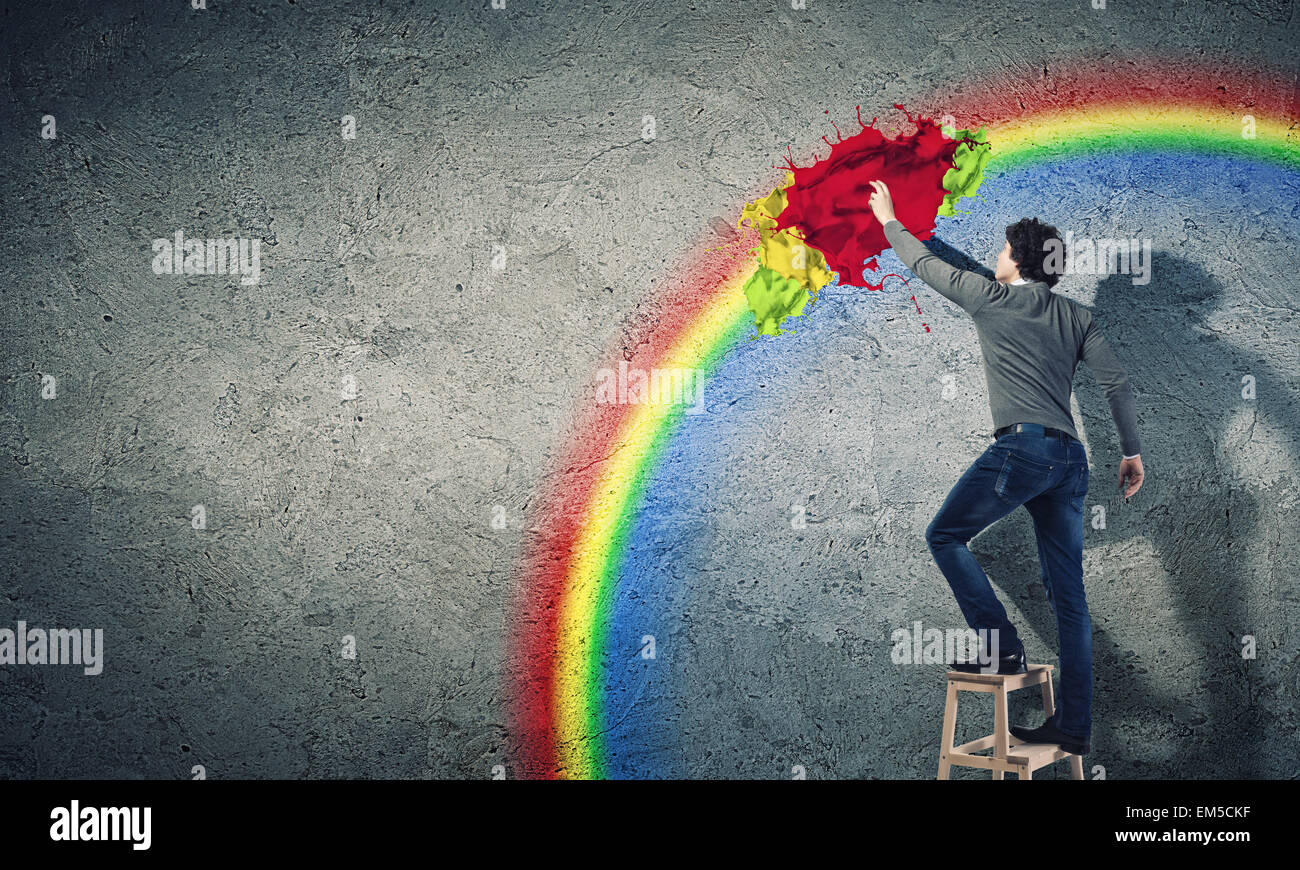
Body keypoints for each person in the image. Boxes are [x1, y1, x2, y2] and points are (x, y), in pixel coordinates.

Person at [866, 180, 1144, 756]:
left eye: (1000, 252)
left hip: (1021, 451)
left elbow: (923, 264)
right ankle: (1073, 727)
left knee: (944, 535)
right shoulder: (1076, 316)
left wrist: (889, 218)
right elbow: (1116, 383)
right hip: (1071, 461)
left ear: (1016, 260)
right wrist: (1131, 451)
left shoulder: (989, 299)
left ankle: (1002, 649)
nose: (993, 260)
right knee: (1070, 599)